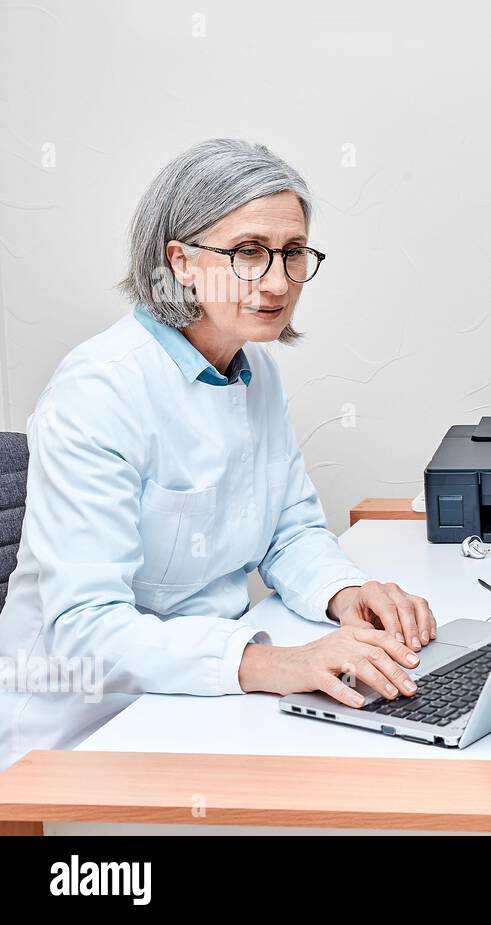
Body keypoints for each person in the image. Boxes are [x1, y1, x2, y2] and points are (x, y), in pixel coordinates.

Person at [0, 139, 436, 770]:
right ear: (180, 261)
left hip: (211, 701)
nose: (280, 282)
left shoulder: (252, 370)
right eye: (249, 254)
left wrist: (348, 593)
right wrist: (273, 662)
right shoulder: (100, 390)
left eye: (292, 254)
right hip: (84, 733)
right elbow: (85, 628)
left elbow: (289, 533)